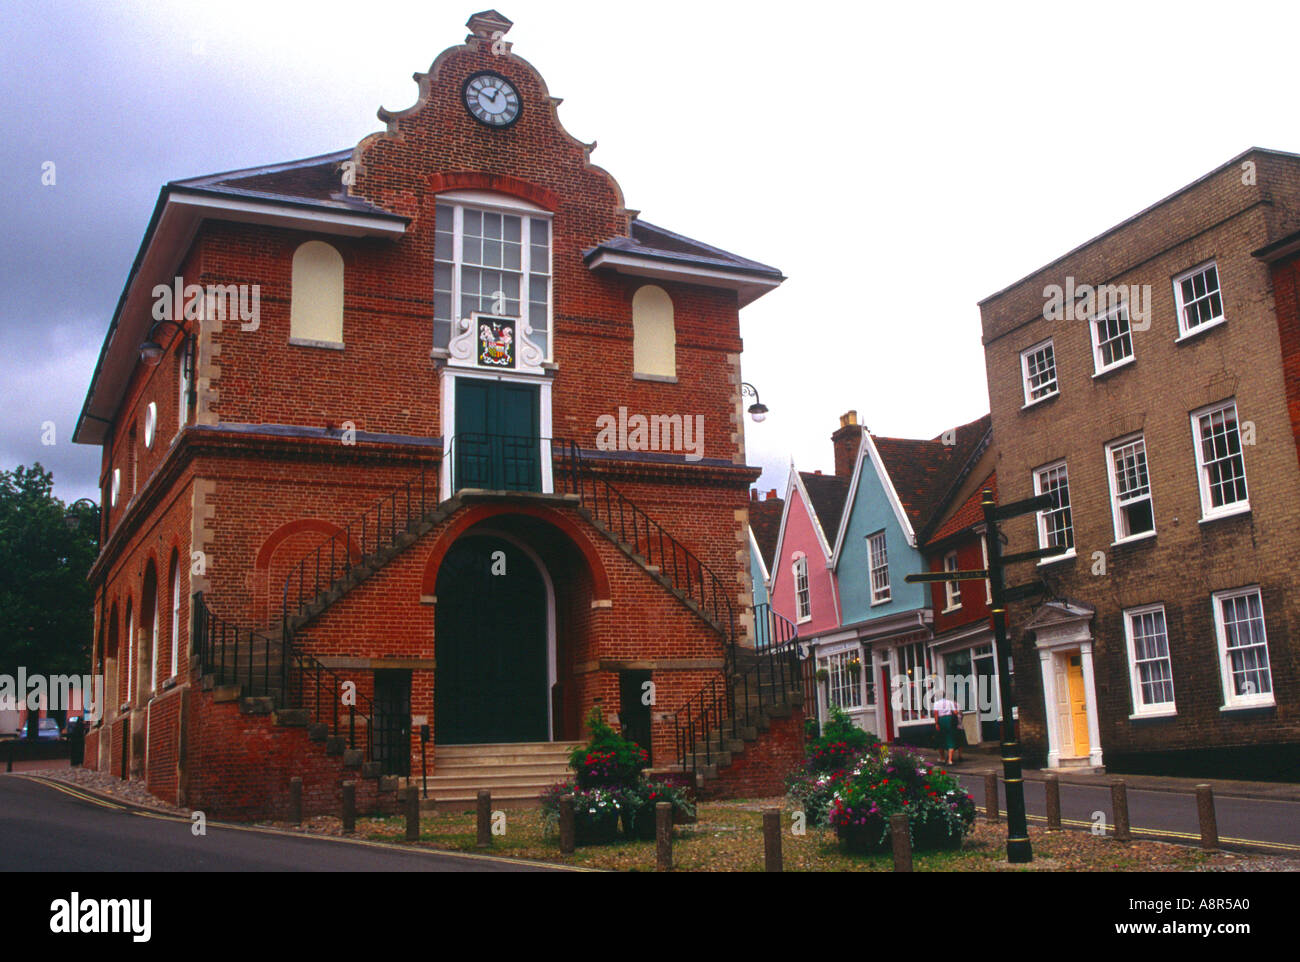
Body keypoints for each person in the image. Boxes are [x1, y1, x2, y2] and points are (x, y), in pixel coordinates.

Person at [933, 691, 963, 765]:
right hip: (949, 720)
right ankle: (950, 760)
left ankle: (942, 758)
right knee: (950, 738)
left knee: (940, 738)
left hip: (941, 720)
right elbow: (955, 712)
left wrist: (936, 723)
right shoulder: (950, 702)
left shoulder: (936, 703)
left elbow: (936, 714)